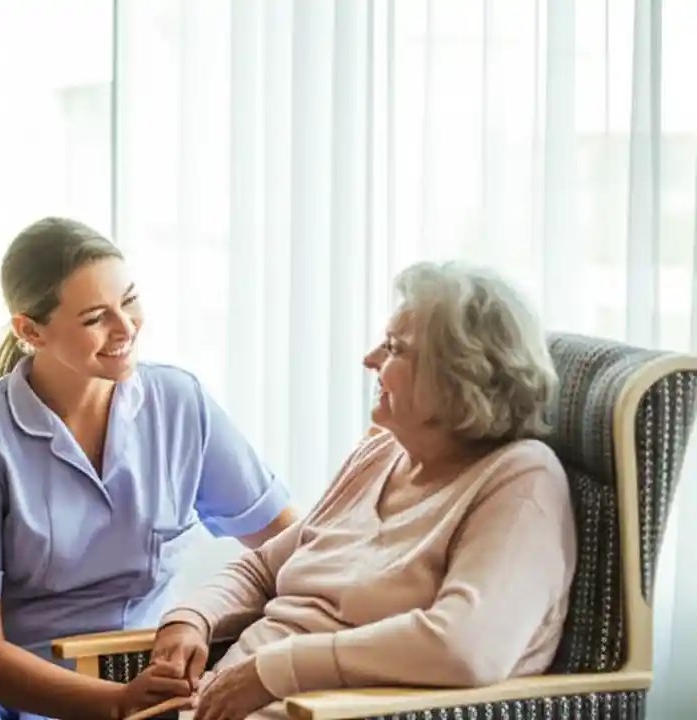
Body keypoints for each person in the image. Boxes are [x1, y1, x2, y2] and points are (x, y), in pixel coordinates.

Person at [0, 217, 297, 719]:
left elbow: (287, 549)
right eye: (95, 317)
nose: (125, 327)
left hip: (119, 670)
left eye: (129, 300)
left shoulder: (181, 405)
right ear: (30, 330)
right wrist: (114, 704)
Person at [149, 261, 577, 720]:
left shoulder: (519, 481)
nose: (370, 358)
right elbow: (263, 568)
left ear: (454, 374)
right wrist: (191, 617)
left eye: (394, 348)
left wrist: (272, 672)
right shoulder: (381, 455)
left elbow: (464, 647)